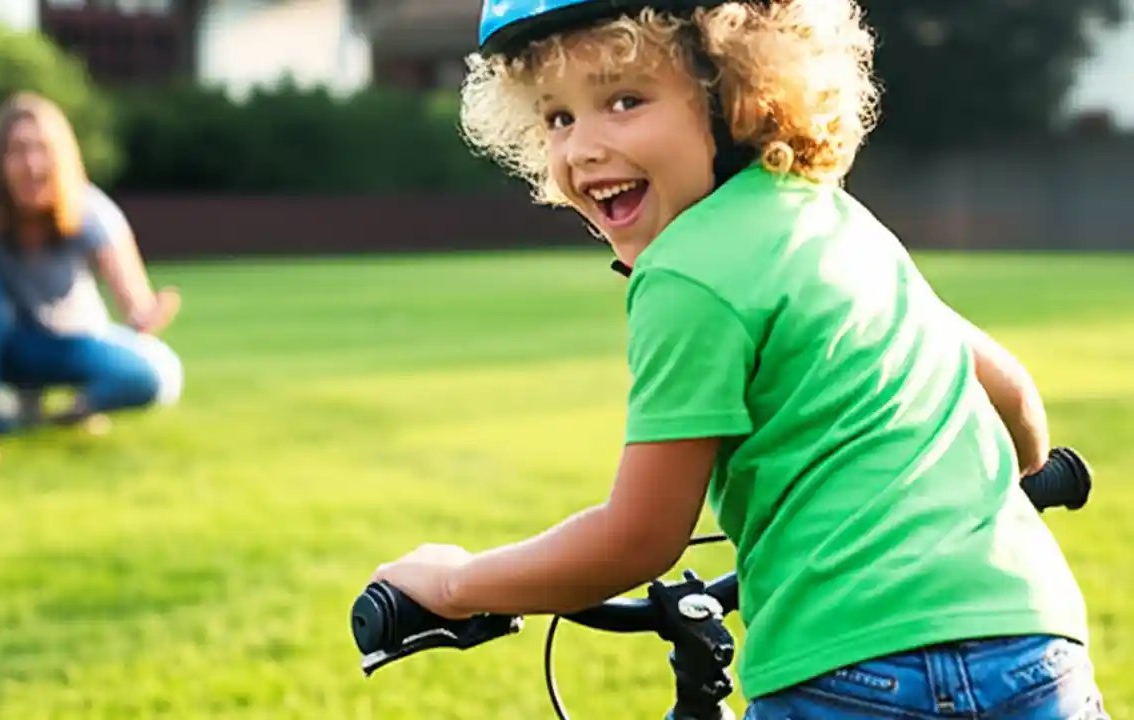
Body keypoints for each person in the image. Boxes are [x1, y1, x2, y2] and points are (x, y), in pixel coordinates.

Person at [370, 1, 1108, 717]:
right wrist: (1020, 480)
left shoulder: (687, 273)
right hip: (1032, 642)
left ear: (740, 95)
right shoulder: (836, 218)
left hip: (849, 670)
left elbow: (638, 539)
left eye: (625, 100)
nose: (584, 146)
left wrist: (456, 582)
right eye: (558, 116)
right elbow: (1013, 397)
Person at [0, 92, 183, 476]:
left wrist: (148, 315)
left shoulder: (92, 208)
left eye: (42, 149)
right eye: (17, 150)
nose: (32, 165)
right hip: (3, 340)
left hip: (65, 343)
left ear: (62, 157)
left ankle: (66, 412)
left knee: (159, 373)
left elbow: (134, 305)